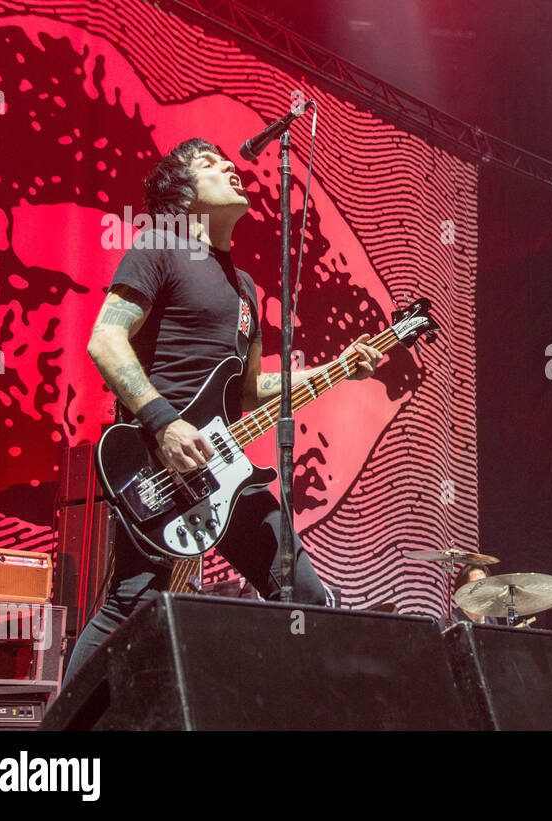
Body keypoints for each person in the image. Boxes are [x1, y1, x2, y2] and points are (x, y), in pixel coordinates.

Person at [65, 138, 384, 683]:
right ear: (184, 194)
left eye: (227, 162)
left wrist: (338, 367)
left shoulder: (245, 288)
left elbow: (249, 392)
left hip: (222, 473)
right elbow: (105, 340)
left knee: (304, 596)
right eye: (211, 165)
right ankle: (62, 743)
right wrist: (163, 423)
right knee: (129, 606)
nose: (231, 169)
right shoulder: (159, 245)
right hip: (155, 467)